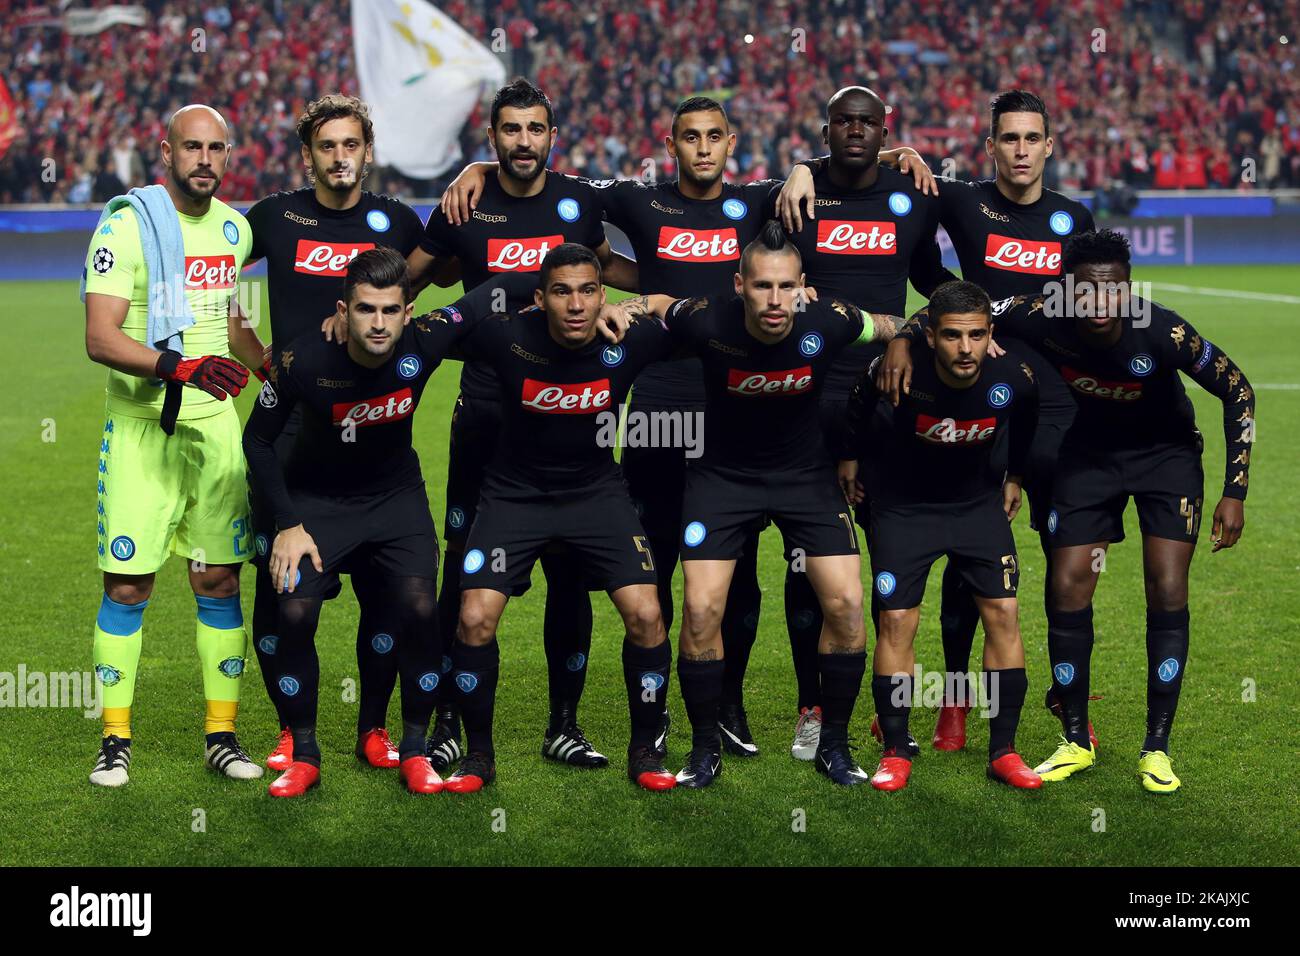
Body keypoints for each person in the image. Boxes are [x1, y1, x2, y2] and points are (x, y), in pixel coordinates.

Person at [779, 89, 1098, 752]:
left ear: (1048, 144)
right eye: (1006, 138)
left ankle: (1064, 705)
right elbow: (863, 153)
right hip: (947, 396)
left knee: (1064, 568)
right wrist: (804, 165)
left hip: (1049, 407)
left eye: (1030, 138)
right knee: (922, 556)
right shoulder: (960, 199)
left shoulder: (1076, 218)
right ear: (990, 146)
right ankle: (936, 703)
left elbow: (1097, 306)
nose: (1018, 150)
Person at [879, 230, 1253, 793]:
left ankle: (1157, 747)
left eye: (1114, 292)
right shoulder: (1037, 315)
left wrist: (1235, 490)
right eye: (1087, 292)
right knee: (1067, 588)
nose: (1101, 304)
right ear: (1065, 289)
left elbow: (1238, 390)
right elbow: (956, 308)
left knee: (1167, 589)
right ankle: (1076, 738)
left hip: (1166, 461)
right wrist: (903, 341)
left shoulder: (1163, 330)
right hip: (1088, 460)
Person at [613, 221, 909, 787]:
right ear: (739, 285)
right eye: (761, 287)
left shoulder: (832, 320)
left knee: (847, 606)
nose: (775, 301)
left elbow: (896, 323)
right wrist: (624, 310)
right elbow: (656, 302)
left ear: (804, 287)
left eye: (786, 288)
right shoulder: (706, 318)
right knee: (701, 612)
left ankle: (835, 747)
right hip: (722, 481)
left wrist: (902, 340)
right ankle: (704, 751)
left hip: (806, 479)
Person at [242, 249, 547, 796]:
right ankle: (304, 753)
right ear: (343, 310)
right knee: (293, 609)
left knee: (420, 609)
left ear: (409, 311)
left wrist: (594, 296)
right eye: (364, 310)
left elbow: (497, 287)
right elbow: (257, 441)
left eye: (389, 310)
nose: (378, 323)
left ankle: (411, 749)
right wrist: (287, 523)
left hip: (394, 499)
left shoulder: (426, 339)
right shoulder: (301, 360)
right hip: (318, 501)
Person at [407, 79, 638, 773]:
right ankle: (450, 718)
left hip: (570, 415)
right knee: (467, 576)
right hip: (484, 415)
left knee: (571, 574)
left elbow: (609, 272)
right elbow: (409, 285)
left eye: (535, 128)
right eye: (510, 130)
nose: (523, 141)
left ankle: (562, 725)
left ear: (551, 134)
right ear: (493, 138)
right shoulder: (465, 205)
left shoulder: (579, 201)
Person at [440, 244, 675, 793]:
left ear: (603, 296)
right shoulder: (505, 337)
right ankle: (478, 756)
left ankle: (644, 750)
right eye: (562, 292)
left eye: (589, 291)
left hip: (597, 494)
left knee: (646, 613)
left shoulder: (628, 340)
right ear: (539, 299)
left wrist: (637, 305)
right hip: (513, 494)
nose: (576, 305)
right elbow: (426, 331)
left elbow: (697, 316)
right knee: (473, 617)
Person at [762, 85, 948, 760]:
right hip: (806, 400)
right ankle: (812, 706)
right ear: (827, 128)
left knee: (893, 557)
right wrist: (800, 166)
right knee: (805, 561)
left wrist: (931, 328)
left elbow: (933, 278)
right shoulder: (795, 197)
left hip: (889, 397)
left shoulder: (915, 194)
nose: (857, 131)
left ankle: (883, 709)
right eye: (844, 121)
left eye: (869, 122)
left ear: (884, 128)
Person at [83, 104, 266, 786]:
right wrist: (178, 366)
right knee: (129, 586)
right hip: (141, 430)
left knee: (218, 578)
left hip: (215, 429)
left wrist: (269, 364)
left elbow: (231, 311)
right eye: (192, 146)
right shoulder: (126, 225)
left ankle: (222, 736)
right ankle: (115, 739)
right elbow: (101, 337)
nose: (205, 160)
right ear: (166, 152)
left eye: (217, 148)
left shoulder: (234, 230)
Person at [244, 94, 427, 773]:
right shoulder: (274, 216)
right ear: (308, 156)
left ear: (368, 152)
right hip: (287, 426)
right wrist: (250, 347)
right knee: (284, 597)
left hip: (369, 425)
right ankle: (296, 730)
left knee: (387, 594)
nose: (341, 156)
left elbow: (438, 273)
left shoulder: (398, 221)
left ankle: (373, 728)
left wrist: (472, 169)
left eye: (352, 145)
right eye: (328, 146)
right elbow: (214, 264)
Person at [840, 281, 1042, 791]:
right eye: (952, 336)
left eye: (976, 335)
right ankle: (895, 750)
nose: (966, 348)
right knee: (898, 622)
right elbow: (856, 404)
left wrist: (1015, 476)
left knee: (1003, 613)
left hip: (976, 507)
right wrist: (848, 459)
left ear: (990, 333)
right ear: (930, 336)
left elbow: (1030, 418)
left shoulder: (1012, 376)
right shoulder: (899, 370)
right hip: (903, 508)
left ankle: (1004, 751)